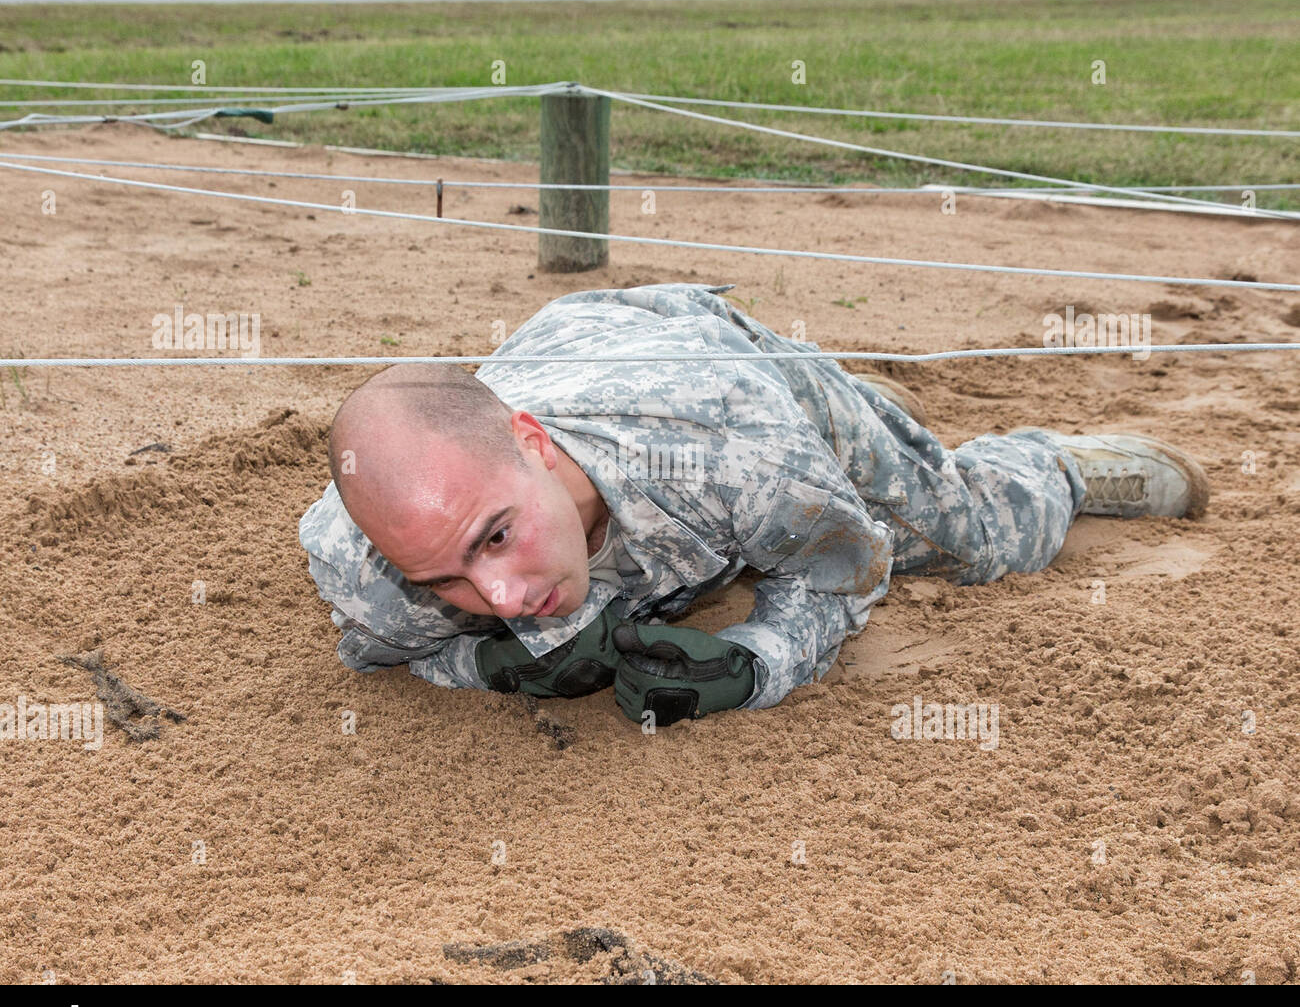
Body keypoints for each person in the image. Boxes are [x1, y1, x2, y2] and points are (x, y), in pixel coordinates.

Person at [299, 283, 1208, 726]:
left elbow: (843, 579)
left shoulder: (731, 450)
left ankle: (1056, 468)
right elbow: (387, 654)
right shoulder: (372, 565)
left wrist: (755, 661)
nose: (498, 597)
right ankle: (871, 438)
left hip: (711, 363)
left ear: (533, 445)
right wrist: (494, 665)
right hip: (563, 362)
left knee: (956, 537)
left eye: (497, 537)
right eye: (448, 580)